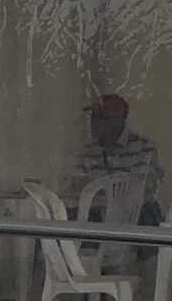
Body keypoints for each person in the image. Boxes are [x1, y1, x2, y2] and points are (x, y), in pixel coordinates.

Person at [67, 91, 163, 226]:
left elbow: (141, 191)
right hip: (96, 214)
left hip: (134, 218)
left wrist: (107, 198)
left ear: (120, 120)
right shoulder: (86, 151)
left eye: (103, 117)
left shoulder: (144, 148)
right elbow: (77, 189)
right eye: (93, 117)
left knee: (150, 212)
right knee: (51, 226)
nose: (95, 123)